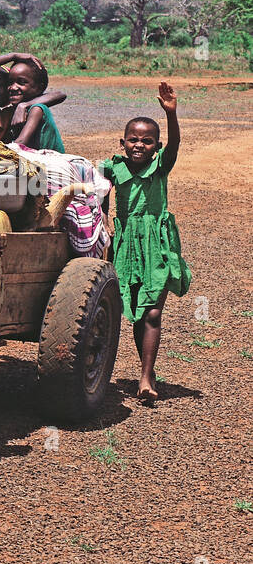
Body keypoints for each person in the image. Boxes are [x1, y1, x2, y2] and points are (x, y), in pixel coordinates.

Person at [102, 81, 192, 405]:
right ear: (123, 142)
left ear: (156, 146)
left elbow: (175, 146)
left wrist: (172, 114)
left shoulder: (160, 167)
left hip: (156, 244)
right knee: (138, 315)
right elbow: (95, 196)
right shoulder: (113, 168)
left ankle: (144, 376)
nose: (139, 145)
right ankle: (148, 372)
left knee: (153, 312)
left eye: (147, 141)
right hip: (126, 247)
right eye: (134, 139)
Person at [0, 52, 65, 150]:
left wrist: (24, 105)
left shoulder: (8, 115)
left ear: (6, 94)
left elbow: (60, 95)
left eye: (0, 84)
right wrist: (13, 56)